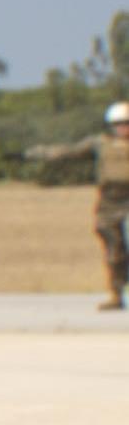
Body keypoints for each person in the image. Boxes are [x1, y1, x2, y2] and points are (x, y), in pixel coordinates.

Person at [92, 98, 124, 309]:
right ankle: (116, 295)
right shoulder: (100, 144)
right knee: (114, 252)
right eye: (119, 123)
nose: (124, 128)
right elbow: (67, 151)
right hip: (110, 204)